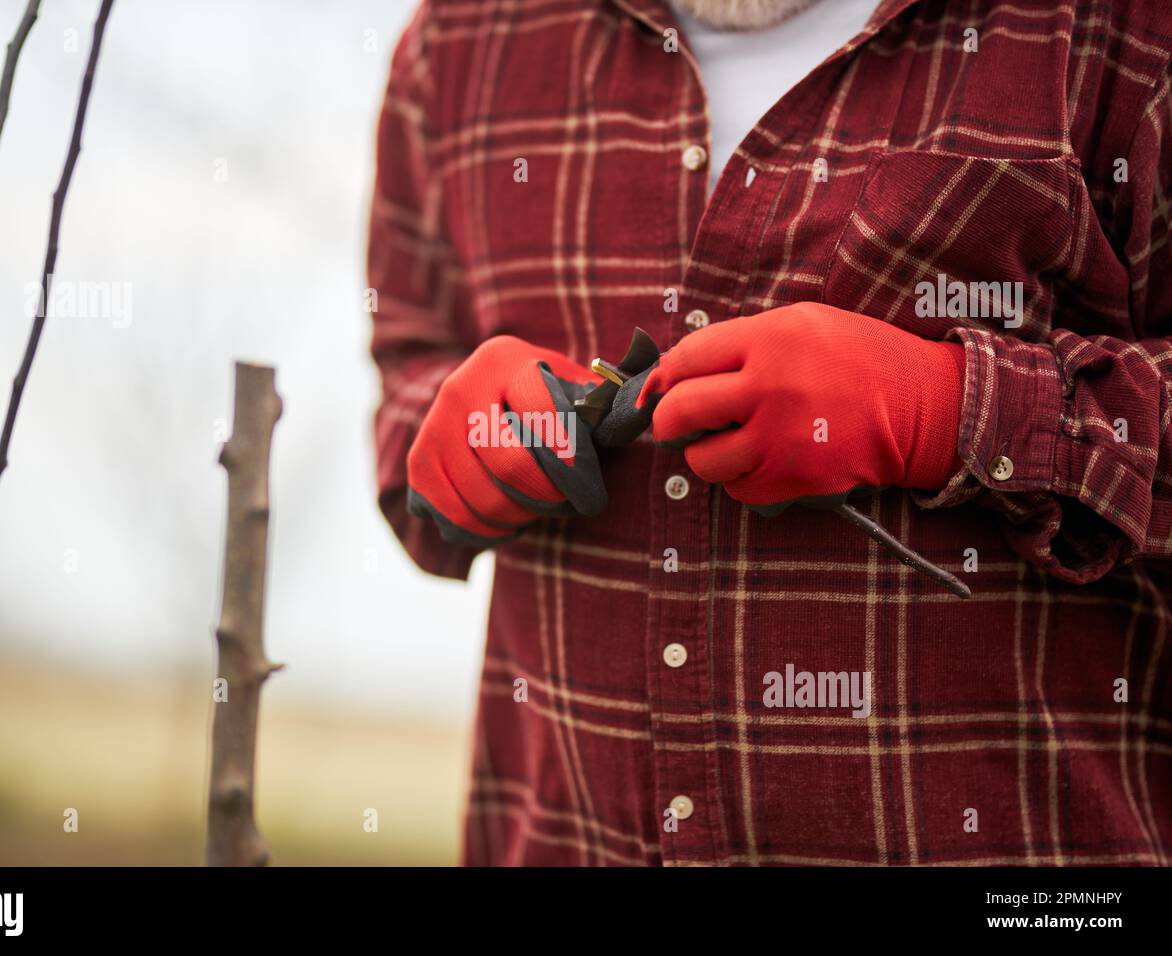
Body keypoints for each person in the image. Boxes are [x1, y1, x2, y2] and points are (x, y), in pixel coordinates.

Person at [368, 0, 1172, 866]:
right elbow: (409, 366)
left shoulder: (1122, 28)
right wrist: (441, 433)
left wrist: (946, 409)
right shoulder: (461, 40)